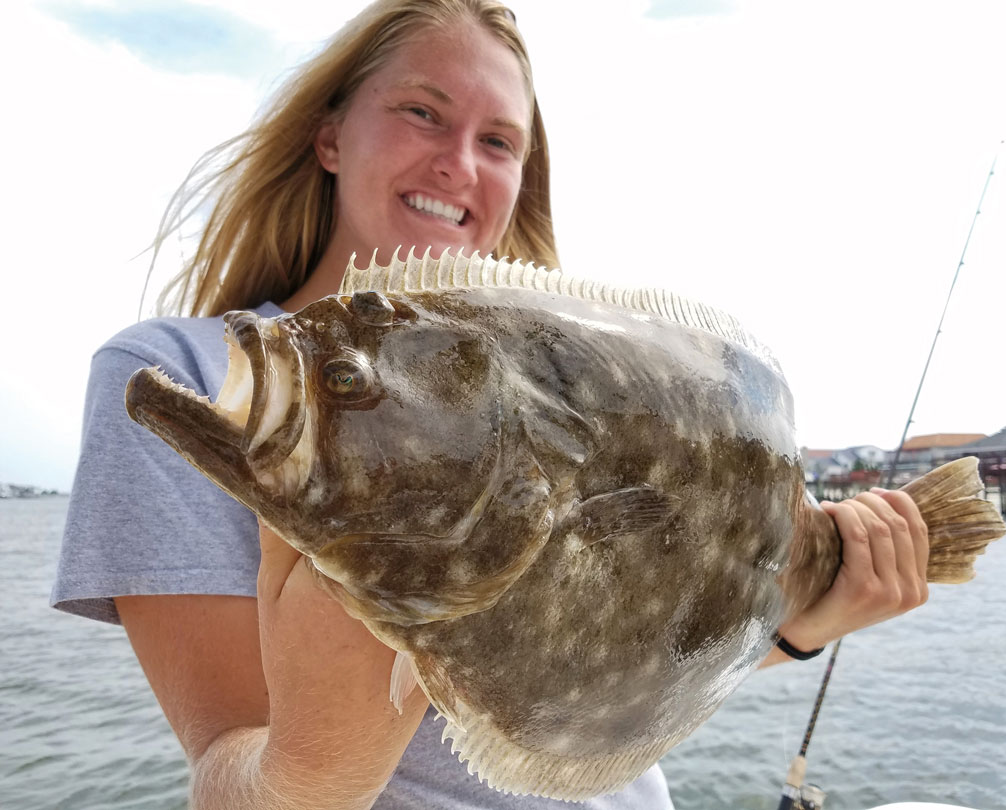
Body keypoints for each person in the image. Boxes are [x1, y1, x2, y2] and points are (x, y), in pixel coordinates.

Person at [51, 1, 930, 808]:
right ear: (329, 135)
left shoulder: (554, 381)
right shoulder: (182, 369)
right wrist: (314, 760)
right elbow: (230, 772)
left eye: (500, 142)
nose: (458, 163)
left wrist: (813, 622)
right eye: (422, 112)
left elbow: (616, 668)